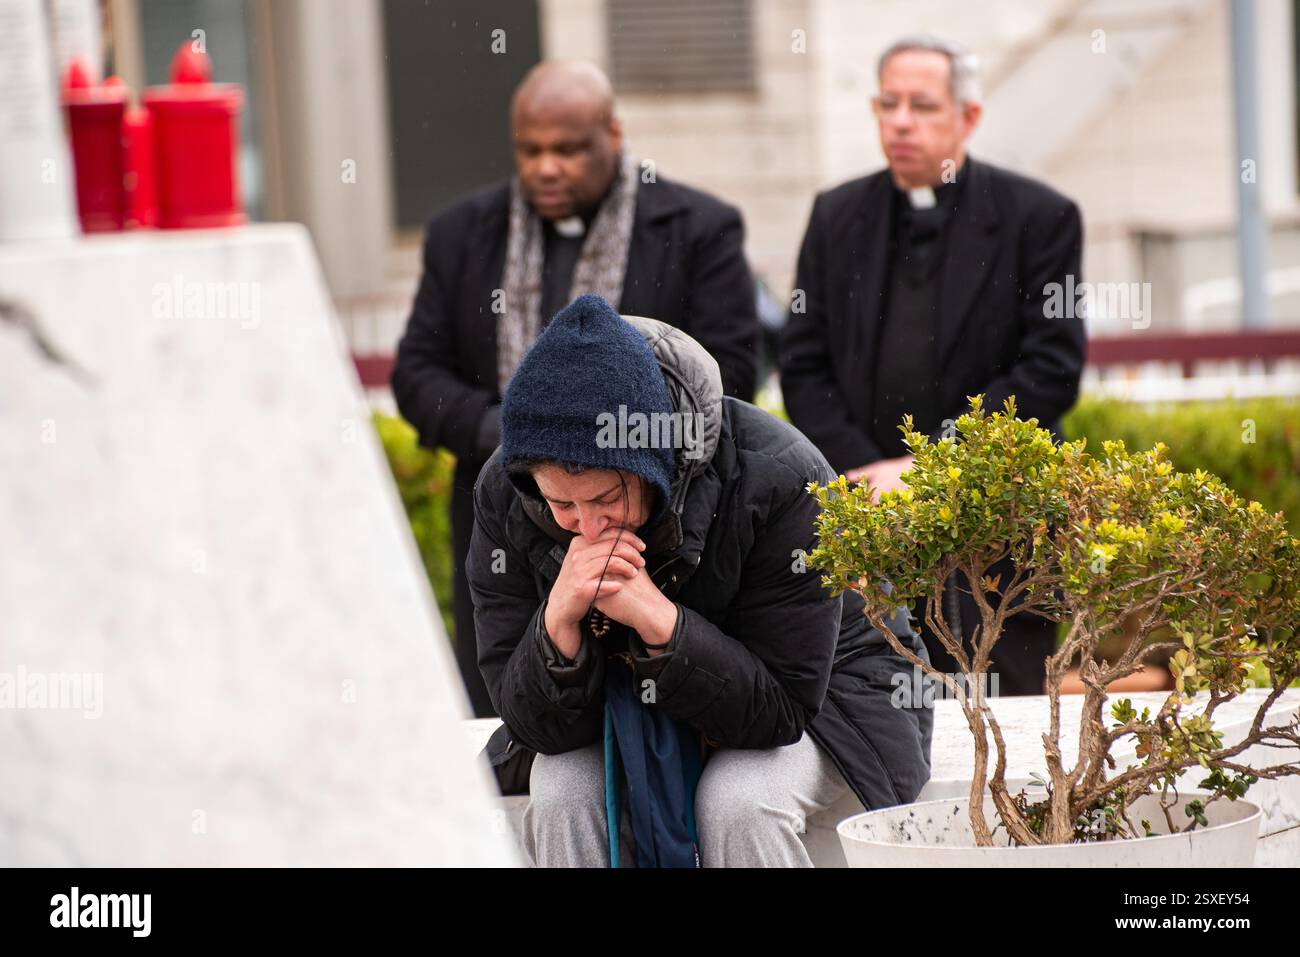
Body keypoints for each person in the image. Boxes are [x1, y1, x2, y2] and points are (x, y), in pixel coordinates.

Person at [467, 294, 931, 867]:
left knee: (740, 801)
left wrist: (660, 621)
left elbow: (781, 709)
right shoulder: (507, 492)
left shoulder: (781, 477)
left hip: (836, 693)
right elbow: (529, 719)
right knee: (564, 790)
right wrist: (556, 629)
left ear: (652, 466)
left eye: (607, 499)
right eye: (562, 504)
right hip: (626, 699)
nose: (587, 527)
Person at [391, 61, 760, 716]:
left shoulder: (699, 229)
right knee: (514, 720)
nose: (546, 167)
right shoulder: (460, 233)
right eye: (530, 151)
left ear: (612, 134)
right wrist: (520, 445)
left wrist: (621, 454)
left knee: (655, 710)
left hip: (652, 530)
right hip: (502, 527)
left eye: (566, 149)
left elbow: (726, 375)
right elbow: (417, 372)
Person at [779, 34, 1086, 696]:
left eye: (921, 104)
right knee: (876, 695)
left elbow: (1053, 368)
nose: (900, 121)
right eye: (887, 103)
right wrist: (866, 475)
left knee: (1007, 714)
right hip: (870, 517)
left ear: (967, 117)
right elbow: (801, 363)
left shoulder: (1039, 217)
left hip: (1002, 529)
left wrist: (931, 468)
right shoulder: (837, 216)